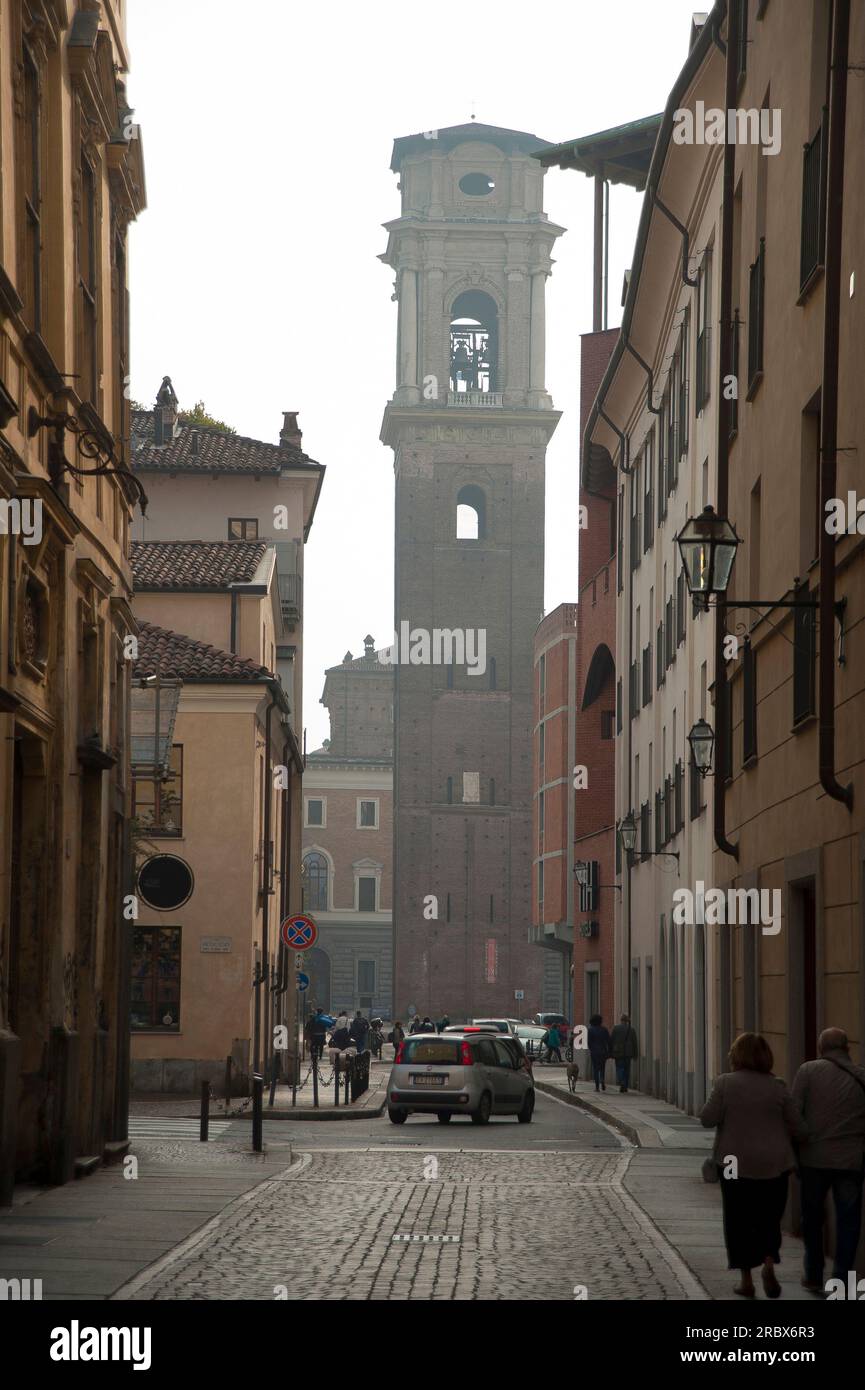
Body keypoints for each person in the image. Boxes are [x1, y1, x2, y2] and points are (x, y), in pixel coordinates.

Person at [700, 1031, 809, 1299]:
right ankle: (769, 1263)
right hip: (774, 1163)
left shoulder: (725, 1083)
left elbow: (707, 1118)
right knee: (769, 1218)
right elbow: (799, 1127)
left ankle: (746, 1279)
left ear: (735, 1056)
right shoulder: (778, 1086)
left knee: (738, 1220)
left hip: (735, 1163)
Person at [792, 1026, 865, 1295]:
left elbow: (794, 1113)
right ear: (847, 1047)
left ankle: (813, 1273)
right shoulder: (860, 1076)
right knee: (848, 1221)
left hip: (814, 1159)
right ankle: (841, 1278)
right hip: (850, 1161)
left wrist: (802, 1142)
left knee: (812, 1218)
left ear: (821, 1047)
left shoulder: (808, 1071)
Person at [610, 1014, 639, 1093]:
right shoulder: (631, 1030)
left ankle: (621, 1081)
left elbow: (611, 1041)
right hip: (628, 1053)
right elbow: (634, 1043)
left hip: (618, 1052)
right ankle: (625, 1085)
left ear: (621, 1020)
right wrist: (635, 1054)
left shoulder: (616, 1028)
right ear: (627, 1021)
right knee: (627, 1069)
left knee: (619, 1068)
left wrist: (610, 1052)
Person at [587, 1014, 612, 1092]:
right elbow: (609, 1041)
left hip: (594, 1052)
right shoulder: (604, 1029)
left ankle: (597, 1087)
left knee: (595, 1069)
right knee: (602, 1068)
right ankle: (602, 1079)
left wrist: (591, 1049)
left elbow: (589, 1042)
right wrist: (609, 1051)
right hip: (603, 1051)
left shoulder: (590, 1030)